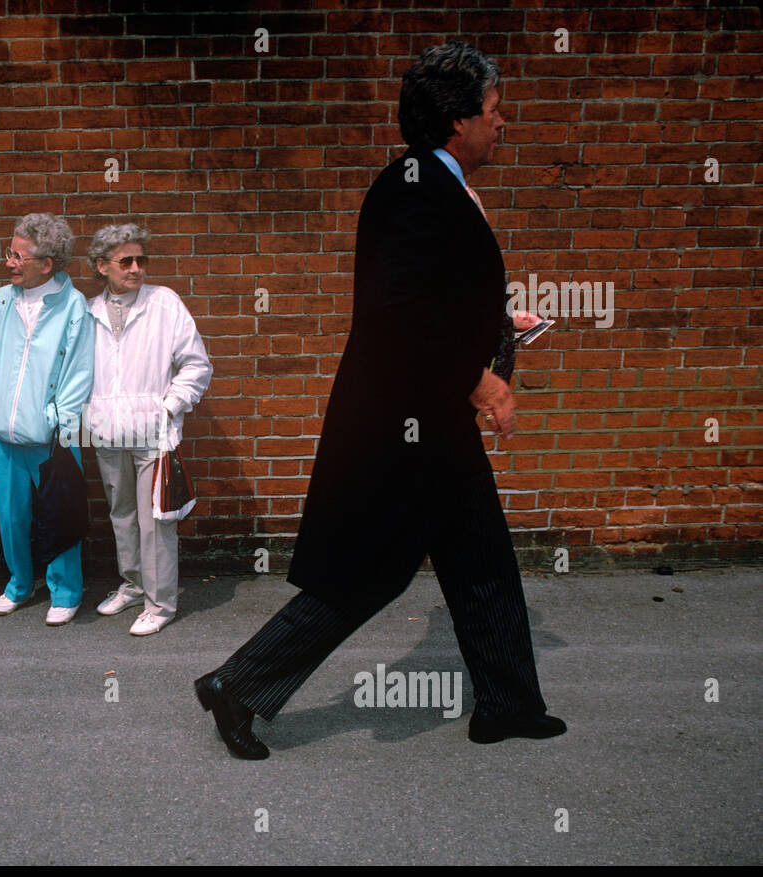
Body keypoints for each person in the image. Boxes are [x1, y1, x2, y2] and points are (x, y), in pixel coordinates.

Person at [195, 41, 567, 758]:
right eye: (494, 112)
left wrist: (500, 325)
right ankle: (238, 684)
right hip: (408, 427)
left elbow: (442, 294)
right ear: (458, 120)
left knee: (482, 558)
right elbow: (398, 314)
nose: (503, 124)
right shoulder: (413, 186)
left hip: (432, 422)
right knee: (370, 571)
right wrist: (480, 379)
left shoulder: (437, 182)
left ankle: (508, 703)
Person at [86, 224, 212, 636]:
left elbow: (196, 365)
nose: (136, 268)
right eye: (126, 261)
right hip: (107, 432)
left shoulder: (164, 303)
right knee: (122, 516)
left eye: (141, 260)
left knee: (156, 522)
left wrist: (169, 406)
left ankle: (161, 605)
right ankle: (134, 585)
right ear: (102, 266)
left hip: (155, 435)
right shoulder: (87, 313)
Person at [0, 213, 94, 626]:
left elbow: (79, 373)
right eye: (9, 252)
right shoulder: (3, 299)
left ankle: (66, 591)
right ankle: (20, 583)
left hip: (52, 439)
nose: (9, 262)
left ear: (46, 264)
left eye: (17, 256)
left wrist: (56, 422)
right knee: (11, 518)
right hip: (3, 436)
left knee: (60, 515)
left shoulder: (74, 306)